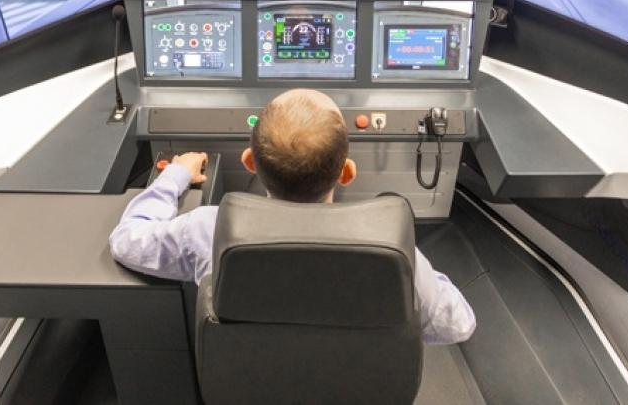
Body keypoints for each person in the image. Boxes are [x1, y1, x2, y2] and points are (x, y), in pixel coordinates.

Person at [109, 88, 476, 345]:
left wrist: (175, 175)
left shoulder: (209, 228)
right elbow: (457, 325)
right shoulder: (392, 247)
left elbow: (127, 241)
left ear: (250, 163)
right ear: (346, 172)